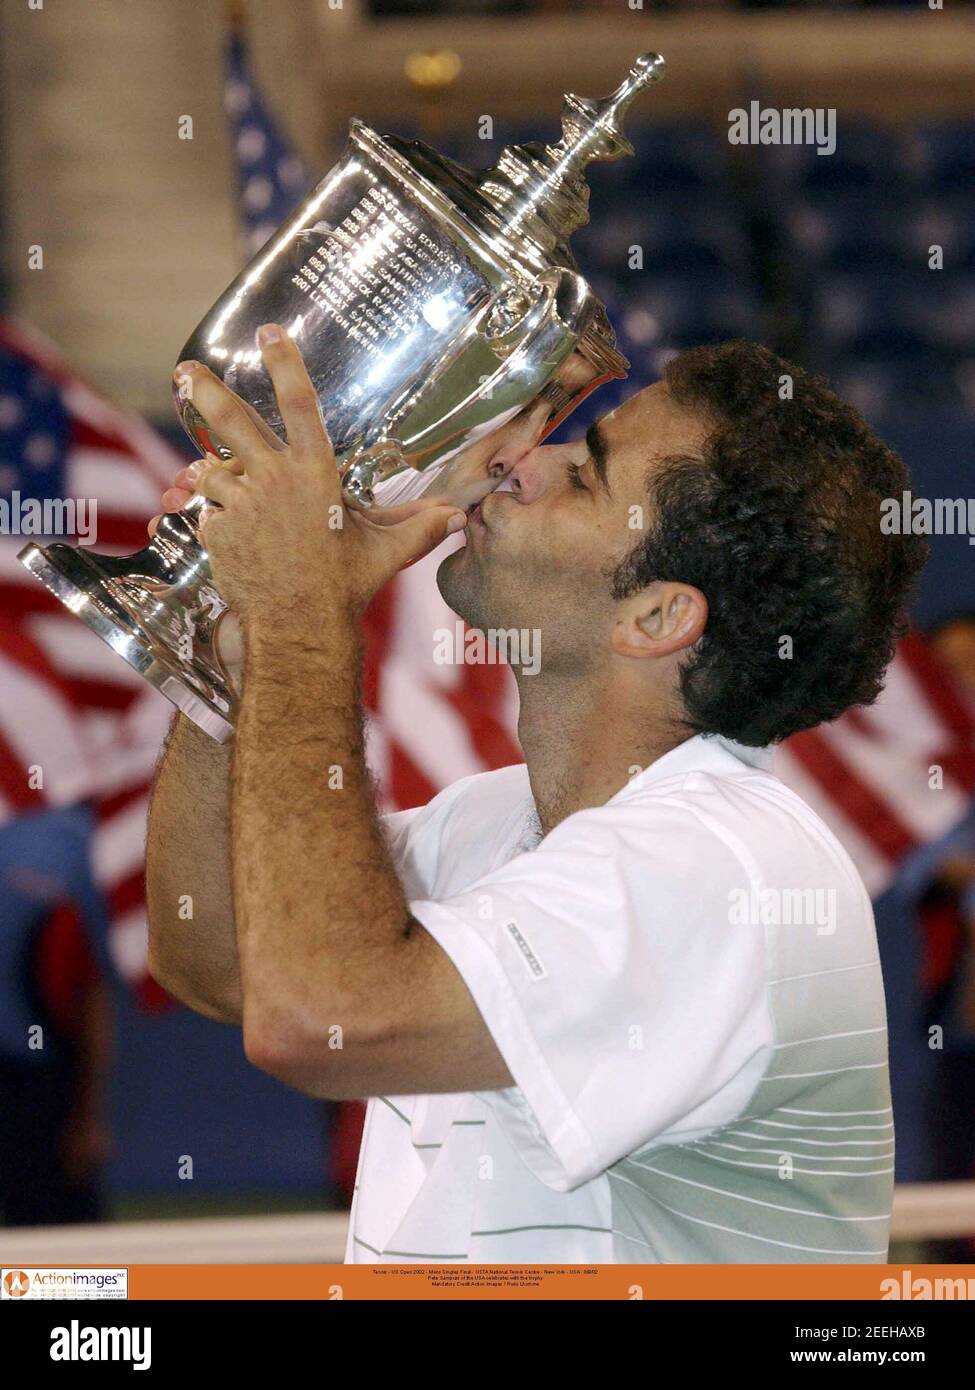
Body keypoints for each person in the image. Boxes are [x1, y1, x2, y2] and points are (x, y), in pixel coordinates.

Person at [146, 330, 926, 1263]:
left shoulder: (726, 865)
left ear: (657, 617)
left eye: (585, 474)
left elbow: (318, 1019)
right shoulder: (502, 822)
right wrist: (240, 645)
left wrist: (301, 613)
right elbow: (216, 958)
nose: (517, 458)